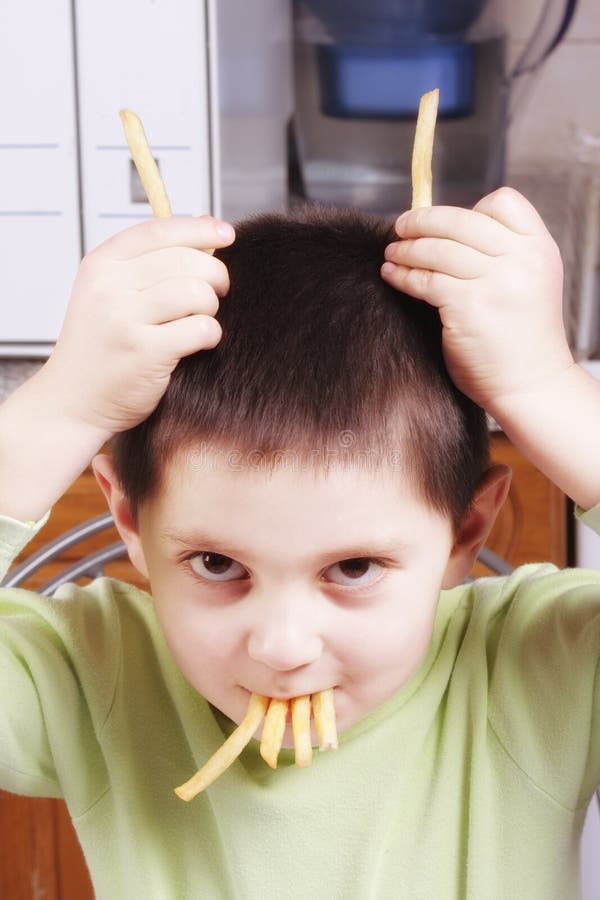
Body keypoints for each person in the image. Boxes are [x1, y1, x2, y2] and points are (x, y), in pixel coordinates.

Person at [0, 187, 599, 899]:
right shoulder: (92, 676)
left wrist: (545, 385)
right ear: (131, 522)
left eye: (353, 568)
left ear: (465, 531)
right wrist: (61, 405)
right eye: (218, 564)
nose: (282, 648)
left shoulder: (542, 669)